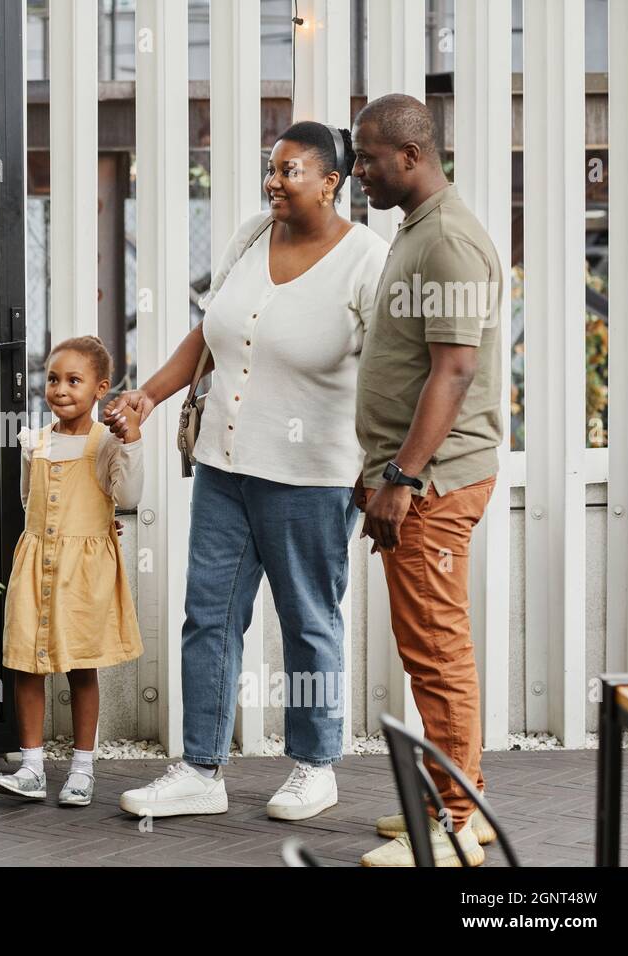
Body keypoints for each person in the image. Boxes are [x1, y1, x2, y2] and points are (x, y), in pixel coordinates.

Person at [105, 121, 387, 821]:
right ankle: (201, 768)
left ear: (332, 181)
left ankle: (315, 765)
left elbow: (392, 374)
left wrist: (385, 469)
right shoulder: (252, 236)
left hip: (313, 475)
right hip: (224, 466)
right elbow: (208, 332)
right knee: (209, 616)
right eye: (272, 167)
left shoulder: (367, 261)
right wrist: (146, 396)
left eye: (290, 171)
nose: (274, 181)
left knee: (307, 621)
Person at [349, 93, 503, 867]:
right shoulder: (417, 230)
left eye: (368, 157)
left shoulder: (445, 240)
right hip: (415, 478)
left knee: (437, 652)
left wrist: (401, 477)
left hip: (433, 485)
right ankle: (462, 804)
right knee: (432, 647)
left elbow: (455, 369)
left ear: (411, 154)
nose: (357, 172)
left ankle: (450, 825)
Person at [0, 335, 144, 808]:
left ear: (100, 389)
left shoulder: (106, 444)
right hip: (35, 562)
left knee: (81, 666)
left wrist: (133, 440)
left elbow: (131, 497)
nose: (60, 389)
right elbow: (26, 498)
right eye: (53, 378)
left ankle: (82, 769)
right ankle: (32, 766)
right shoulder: (32, 441)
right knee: (24, 662)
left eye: (74, 380)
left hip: (84, 574)